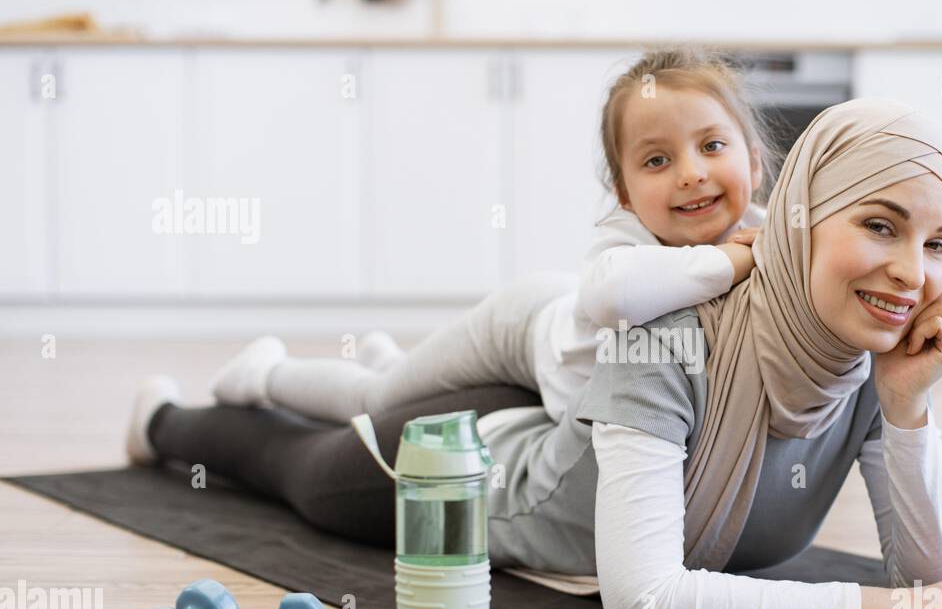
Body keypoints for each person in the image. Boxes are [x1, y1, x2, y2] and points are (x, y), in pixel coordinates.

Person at [124, 96, 942, 609]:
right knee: (301, 472)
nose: (912, 272)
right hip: (477, 477)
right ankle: (167, 421)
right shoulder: (667, 333)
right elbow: (647, 607)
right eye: (881, 226)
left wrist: (906, 412)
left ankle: (376, 369)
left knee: (374, 405)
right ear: (806, 214)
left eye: (939, 243)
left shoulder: (858, 366)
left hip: (574, 411)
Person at [201, 46, 776, 428]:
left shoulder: (762, 232)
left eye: (712, 146)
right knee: (377, 404)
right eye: (656, 160)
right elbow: (612, 299)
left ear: (752, 163)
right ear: (623, 193)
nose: (691, 172)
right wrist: (725, 261)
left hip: (551, 333)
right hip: (523, 329)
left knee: (405, 379)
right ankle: (266, 373)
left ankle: (392, 359)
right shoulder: (625, 243)